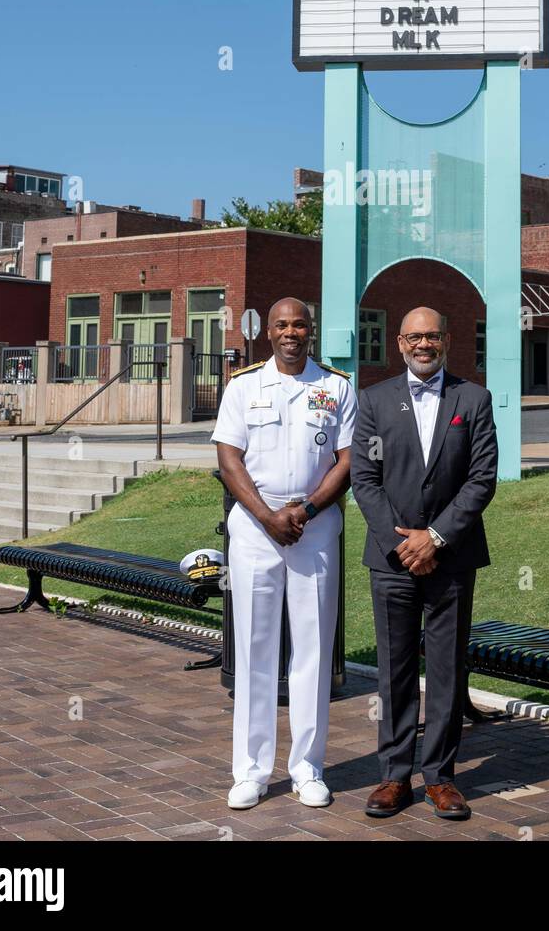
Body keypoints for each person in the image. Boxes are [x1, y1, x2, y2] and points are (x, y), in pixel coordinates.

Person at [351, 306, 498, 821]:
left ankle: (440, 777)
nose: (423, 344)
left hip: (451, 558)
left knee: (446, 668)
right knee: (394, 669)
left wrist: (433, 538)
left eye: (432, 336)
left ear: (447, 340)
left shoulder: (473, 400)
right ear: (399, 342)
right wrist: (404, 545)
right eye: (414, 337)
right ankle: (394, 776)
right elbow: (364, 479)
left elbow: (482, 479)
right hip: (392, 560)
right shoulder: (372, 401)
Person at [213, 297, 356, 810]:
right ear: (267, 333)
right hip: (255, 528)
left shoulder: (335, 386)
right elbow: (228, 457)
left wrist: (309, 510)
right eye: (281, 325)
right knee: (254, 648)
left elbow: (348, 458)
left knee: (314, 651)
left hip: (314, 530)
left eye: (299, 324)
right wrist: (267, 515)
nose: (290, 332)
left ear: (310, 330)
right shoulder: (243, 385)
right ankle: (250, 770)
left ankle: (308, 767)